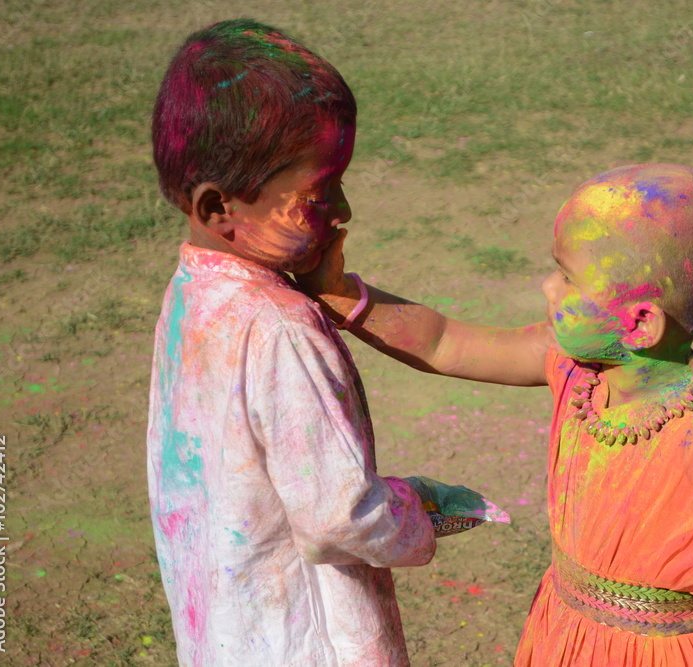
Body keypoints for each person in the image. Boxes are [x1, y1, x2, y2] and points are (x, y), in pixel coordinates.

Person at [297, 163, 693, 665]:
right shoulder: (576, 367)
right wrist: (345, 296)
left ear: (640, 323)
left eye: (568, 277)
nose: (548, 286)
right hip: (568, 636)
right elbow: (446, 342)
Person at [147, 19, 437, 666]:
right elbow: (342, 514)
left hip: (229, 633)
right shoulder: (280, 328)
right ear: (221, 206)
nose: (343, 209)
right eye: (319, 191)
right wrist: (417, 515)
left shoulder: (189, 295)